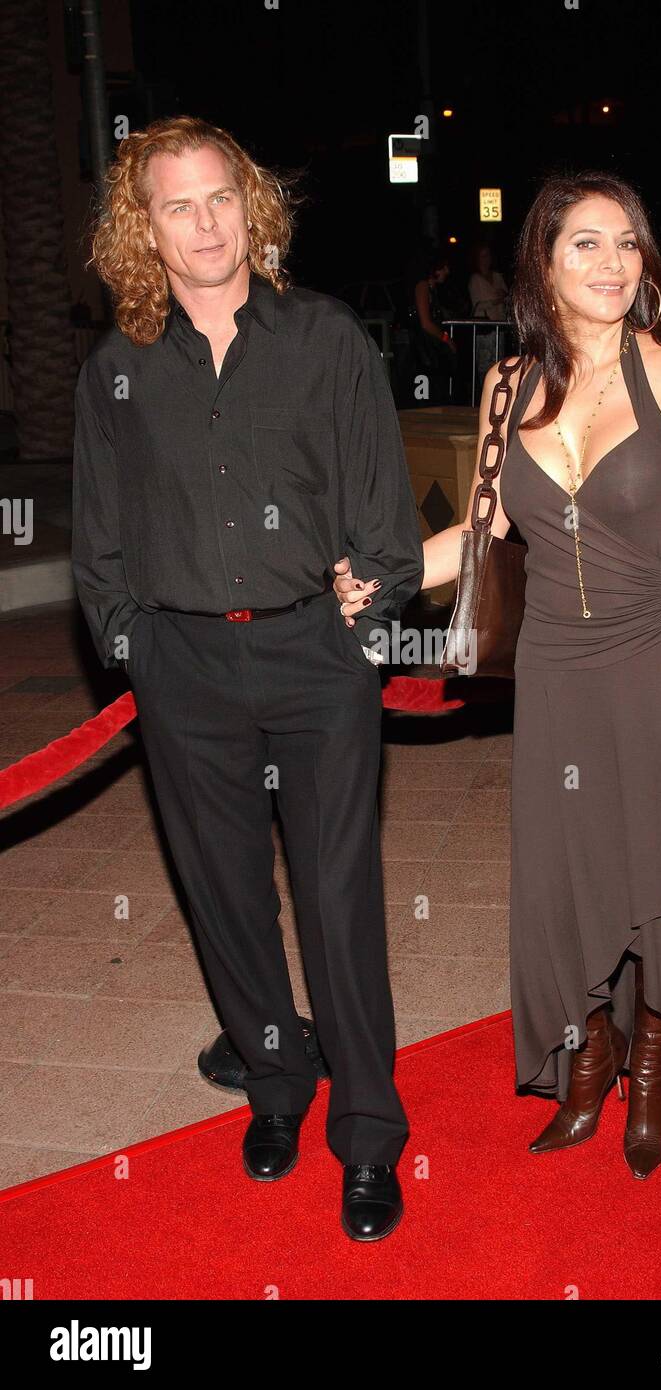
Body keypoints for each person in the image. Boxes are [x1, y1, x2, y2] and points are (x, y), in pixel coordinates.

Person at [334, 170, 661, 1178]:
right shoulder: (506, 389)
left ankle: (655, 1061)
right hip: (557, 669)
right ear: (541, 262)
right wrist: (380, 577)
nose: (613, 263)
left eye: (628, 243)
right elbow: (480, 529)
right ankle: (591, 1058)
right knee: (568, 873)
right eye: (585, 243)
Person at [71, 116, 423, 1239]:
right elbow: (97, 536)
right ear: (145, 228)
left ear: (251, 202)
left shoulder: (324, 338)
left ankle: (368, 1133)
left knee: (335, 902)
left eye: (220, 195)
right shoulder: (117, 368)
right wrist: (134, 642)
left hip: (314, 655)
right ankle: (277, 1083)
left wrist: (370, 613)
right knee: (225, 897)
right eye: (177, 204)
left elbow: (385, 516)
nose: (205, 221)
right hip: (185, 664)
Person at [407, 246, 457, 405]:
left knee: (434, 396)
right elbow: (426, 323)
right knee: (425, 398)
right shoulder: (422, 286)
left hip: (429, 352)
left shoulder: (431, 290)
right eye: (444, 267)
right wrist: (446, 339)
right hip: (423, 353)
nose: (447, 271)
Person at [468, 242, 510, 393]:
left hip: (499, 325)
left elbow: (507, 295)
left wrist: (503, 297)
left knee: (499, 363)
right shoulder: (475, 279)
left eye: (488, 255)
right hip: (485, 328)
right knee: (485, 364)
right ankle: (484, 394)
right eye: (483, 255)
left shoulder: (497, 276)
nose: (486, 259)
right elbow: (478, 303)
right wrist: (496, 299)